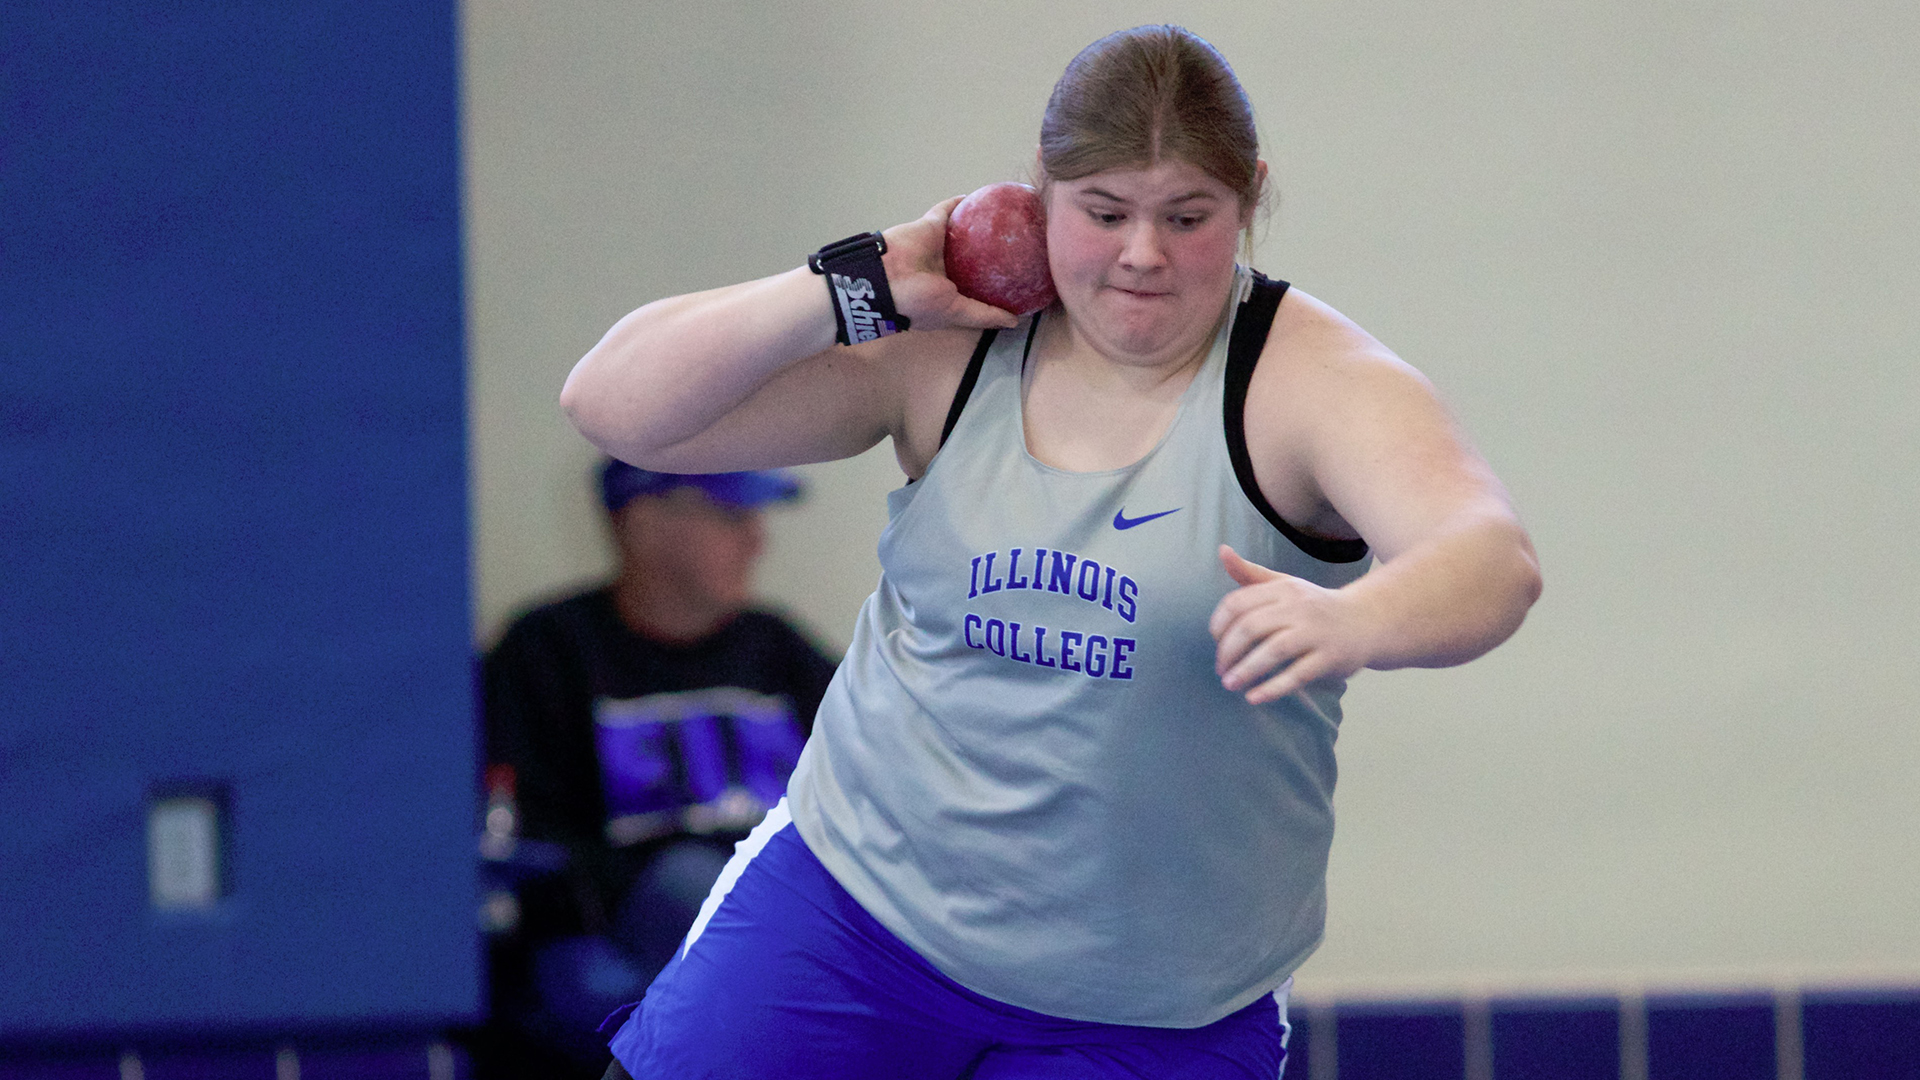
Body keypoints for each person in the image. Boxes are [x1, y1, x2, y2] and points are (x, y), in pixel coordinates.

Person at [561, 24, 1542, 1080]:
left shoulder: (1312, 381)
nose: (1142, 254)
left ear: (1250, 196)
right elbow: (617, 409)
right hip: (855, 918)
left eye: (1187, 217)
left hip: (1157, 1003)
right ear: (1039, 192)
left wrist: (1356, 618)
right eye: (1104, 213)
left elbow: (1490, 558)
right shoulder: (952, 345)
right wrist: (857, 281)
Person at [480, 460, 837, 1072]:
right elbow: (523, 836)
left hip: (782, 913)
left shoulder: (779, 650)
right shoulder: (548, 651)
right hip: (635, 924)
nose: (757, 539)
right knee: (700, 882)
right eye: (731, 515)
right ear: (642, 523)